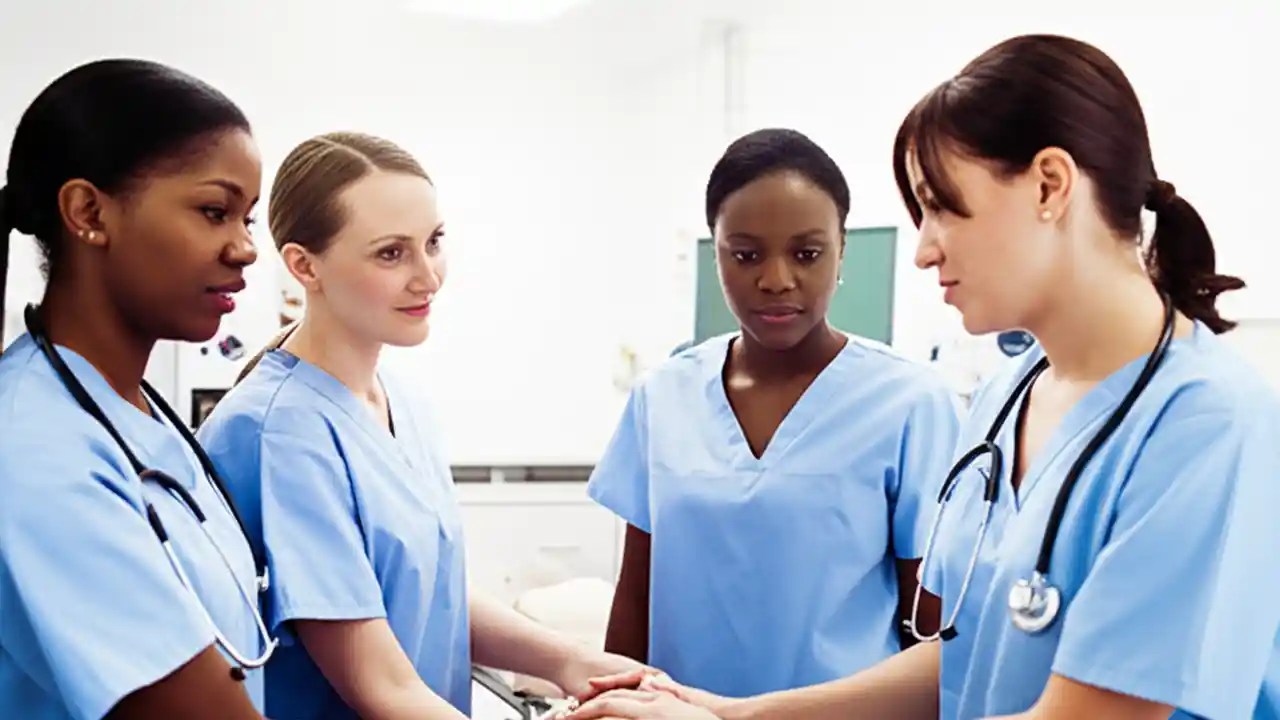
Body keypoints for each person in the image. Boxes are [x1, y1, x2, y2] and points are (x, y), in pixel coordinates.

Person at [563, 33, 1280, 720]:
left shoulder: (1208, 424)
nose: (923, 251)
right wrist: (734, 714)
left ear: (1050, 186)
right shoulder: (1009, 399)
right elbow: (959, 660)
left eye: (940, 207)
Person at [196, 131, 643, 720]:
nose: (428, 276)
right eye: (391, 253)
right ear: (304, 266)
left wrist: (568, 661)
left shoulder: (399, 400)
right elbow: (381, 686)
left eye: (433, 242)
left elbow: (428, 597)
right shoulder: (277, 432)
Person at [585, 127, 960, 699]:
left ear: (841, 253)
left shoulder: (909, 403)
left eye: (807, 254)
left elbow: (928, 628)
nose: (776, 280)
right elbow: (637, 592)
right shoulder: (663, 397)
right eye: (746, 254)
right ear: (717, 254)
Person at [0, 60, 270, 719]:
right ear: (88, 211)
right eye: (214, 212)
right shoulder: (36, 446)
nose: (245, 249)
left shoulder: (134, 415)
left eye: (248, 220)